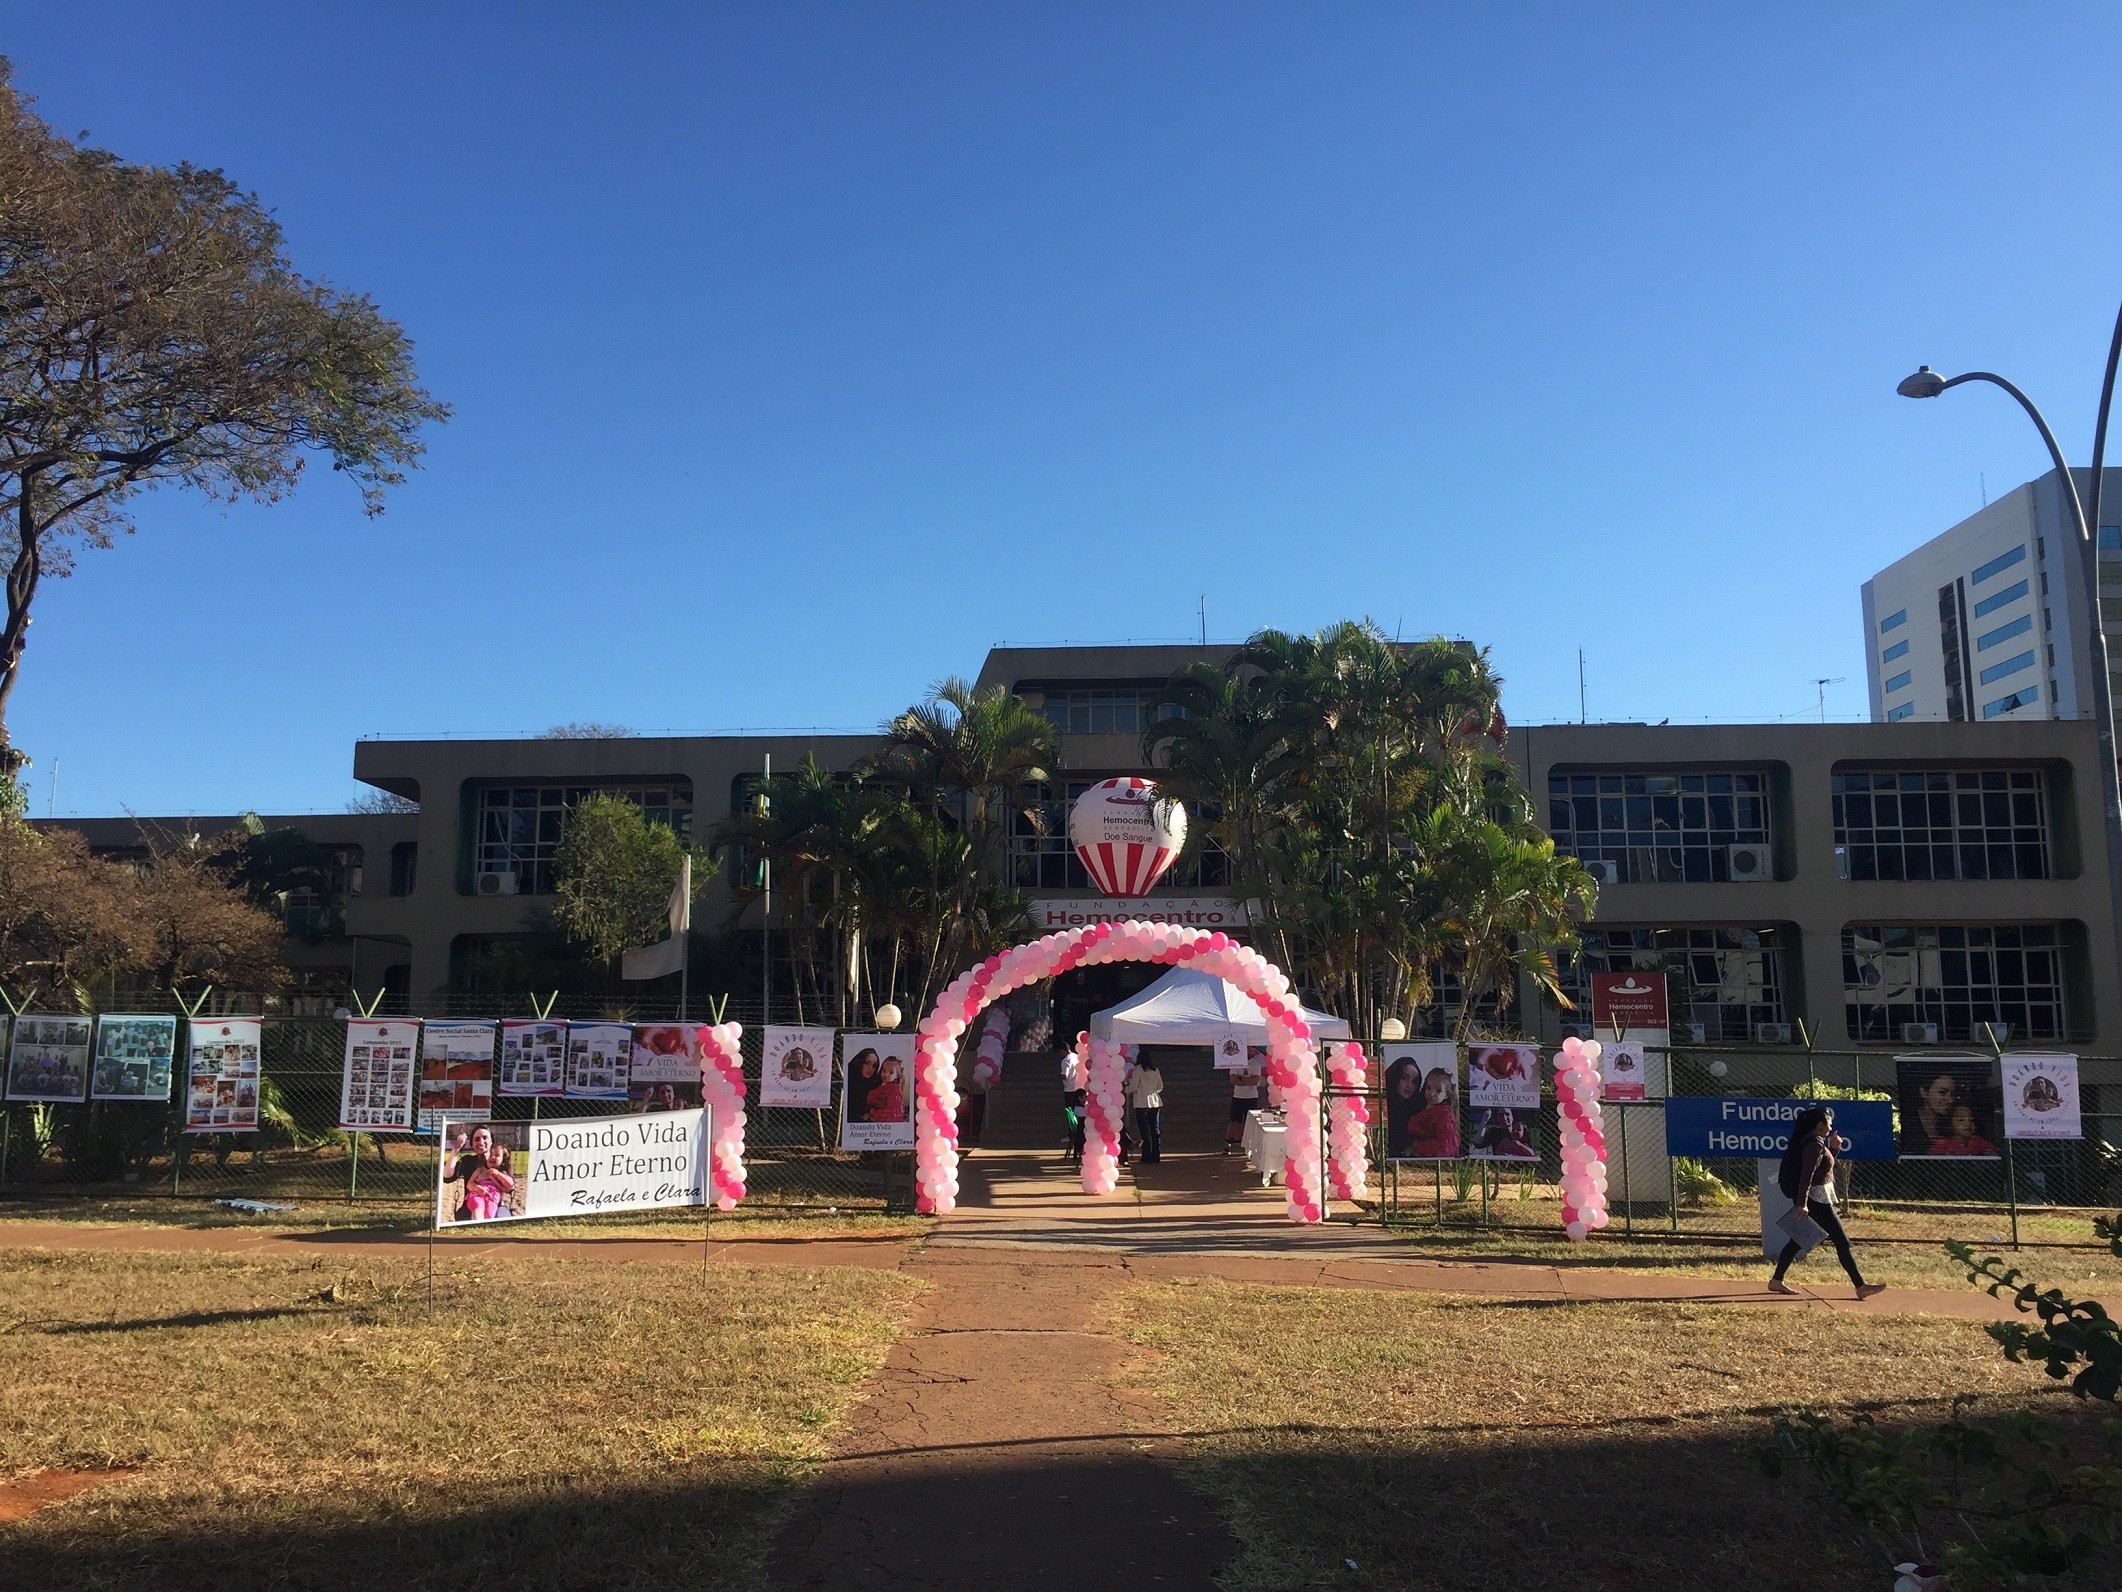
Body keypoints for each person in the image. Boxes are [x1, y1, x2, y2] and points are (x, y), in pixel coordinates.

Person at [1770, 1106, 1885, 1299]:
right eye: (1829, 1124)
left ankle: (1776, 1280)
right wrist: (1802, 1203)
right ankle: (1860, 1286)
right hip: (1817, 1200)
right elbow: (1807, 1175)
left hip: (1817, 1198)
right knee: (1842, 1241)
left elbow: (1822, 1168)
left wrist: (1834, 1149)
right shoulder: (1814, 1146)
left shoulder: (1815, 1144)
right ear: (1819, 1125)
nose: (1831, 1127)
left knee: (1798, 1240)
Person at [1407, 1067, 1460, 1159]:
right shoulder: (1424, 1107)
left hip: (1432, 1157)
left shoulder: (1445, 1116)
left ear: (1446, 1095)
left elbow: (1445, 1146)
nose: (1431, 1093)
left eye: (1438, 1091)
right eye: (1429, 1088)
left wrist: (1417, 1146)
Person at [1903, 1070, 1960, 1155]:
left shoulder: (1951, 1125)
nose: (1950, 1100)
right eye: (1942, 1092)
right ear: (1923, 1092)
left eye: (1953, 1094)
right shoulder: (1907, 1124)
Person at [1126, 1055, 1165, 1165]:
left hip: (1142, 1102)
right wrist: (1151, 1090)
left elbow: (1133, 1087)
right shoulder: (1155, 1070)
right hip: (1155, 1101)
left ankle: (1146, 1155)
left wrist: (1126, 1088)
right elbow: (1160, 1086)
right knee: (1155, 1130)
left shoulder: (1138, 1070)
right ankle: (1156, 1155)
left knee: (1144, 1130)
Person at [1227, 1059, 1262, 1154]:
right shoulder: (1235, 1063)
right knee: (1234, 1120)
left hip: (1251, 1097)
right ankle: (1228, 1145)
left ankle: (1248, 1146)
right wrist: (1247, 1080)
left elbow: (1255, 1080)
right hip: (1238, 1097)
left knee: (1250, 1122)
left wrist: (1241, 1078)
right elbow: (1233, 1080)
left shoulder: (1255, 1064)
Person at [866, 1055, 907, 1124]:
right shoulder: (886, 1085)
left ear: (897, 1075)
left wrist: (875, 1110)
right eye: (884, 1070)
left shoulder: (894, 1088)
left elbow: (892, 1110)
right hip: (890, 1114)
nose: (886, 1074)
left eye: (891, 1072)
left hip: (890, 1117)